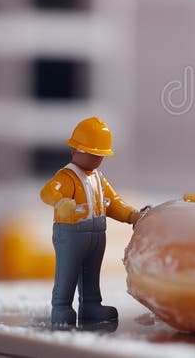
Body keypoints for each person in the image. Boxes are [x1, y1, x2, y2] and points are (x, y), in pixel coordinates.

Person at [39, 116, 142, 326]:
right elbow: (48, 192)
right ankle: (61, 307)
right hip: (71, 233)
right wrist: (61, 203)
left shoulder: (98, 178)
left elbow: (113, 203)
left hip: (96, 234)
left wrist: (131, 215)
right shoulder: (67, 177)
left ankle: (91, 304)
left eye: (100, 155)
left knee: (91, 273)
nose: (98, 159)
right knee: (68, 272)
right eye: (94, 153)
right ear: (77, 150)